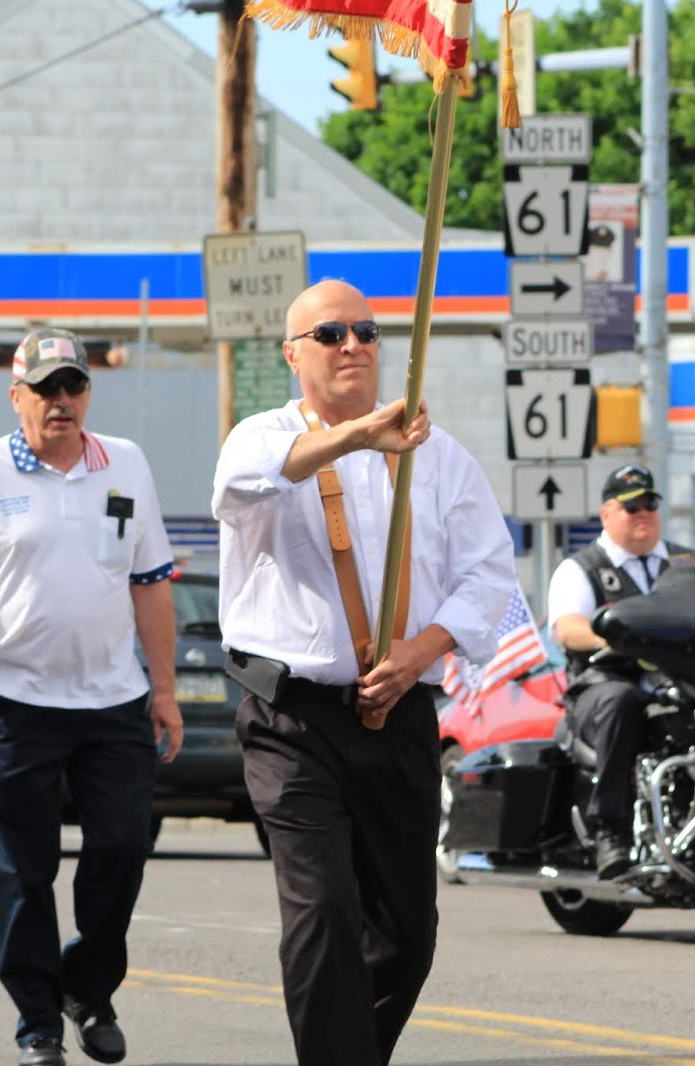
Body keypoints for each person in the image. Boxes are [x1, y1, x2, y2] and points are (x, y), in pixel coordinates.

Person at [212, 279, 516, 1066]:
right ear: (293, 354)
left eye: (366, 332)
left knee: (407, 935)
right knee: (322, 914)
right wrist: (358, 438)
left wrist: (422, 649)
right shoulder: (263, 437)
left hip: (400, 714)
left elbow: (489, 572)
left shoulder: (438, 457)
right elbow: (249, 481)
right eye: (330, 334)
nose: (352, 345)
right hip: (293, 722)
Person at [0, 327, 184, 1066]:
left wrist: (164, 690)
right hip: (12, 703)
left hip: (114, 701)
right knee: (24, 870)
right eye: (45, 389)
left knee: (123, 850)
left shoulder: (126, 462)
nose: (61, 401)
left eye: (73, 386)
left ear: (88, 393)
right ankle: (39, 1023)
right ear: (16, 397)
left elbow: (151, 583)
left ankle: (88, 985)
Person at [545, 464, 695, 879]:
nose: (643, 513)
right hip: (602, 686)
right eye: (631, 506)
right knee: (622, 702)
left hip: (678, 684)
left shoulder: (687, 563)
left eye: (650, 503)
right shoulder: (582, 567)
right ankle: (608, 830)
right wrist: (611, 642)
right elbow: (568, 628)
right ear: (606, 514)